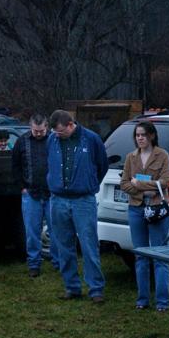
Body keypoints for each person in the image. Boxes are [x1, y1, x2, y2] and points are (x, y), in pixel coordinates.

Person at [46, 110, 108, 303]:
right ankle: (71, 287)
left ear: (71, 125)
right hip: (58, 199)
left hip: (83, 200)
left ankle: (96, 288)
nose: (58, 135)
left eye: (61, 131)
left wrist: (88, 184)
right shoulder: (52, 140)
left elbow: (102, 165)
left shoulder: (91, 139)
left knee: (89, 245)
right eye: (55, 132)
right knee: (63, 245)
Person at [120, 120, 169, 312]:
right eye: (137, 135)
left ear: (151, 135)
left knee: (159, 256)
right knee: (140, 255)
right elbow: (124, 184)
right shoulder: (130, 157)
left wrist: (139, 184)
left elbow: (165, 181)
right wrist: (144, 191)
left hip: (157, 209)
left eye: (143, 134)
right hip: (136, 209)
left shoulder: (162, 155)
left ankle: (162, 302)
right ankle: (142, 300)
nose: (140, 138)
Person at [12, 114, 59, 277]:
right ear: (30, 127)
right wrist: (22, 187)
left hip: (52, 193)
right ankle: (34, 263)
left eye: (41, 131)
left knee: (56, 230)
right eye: (35, 131)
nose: (38, 133)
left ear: (47, 127)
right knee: (32, 231)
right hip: (30, 193)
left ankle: (58, 262)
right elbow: (15, 165)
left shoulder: (54, 140)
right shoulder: (21, 141)